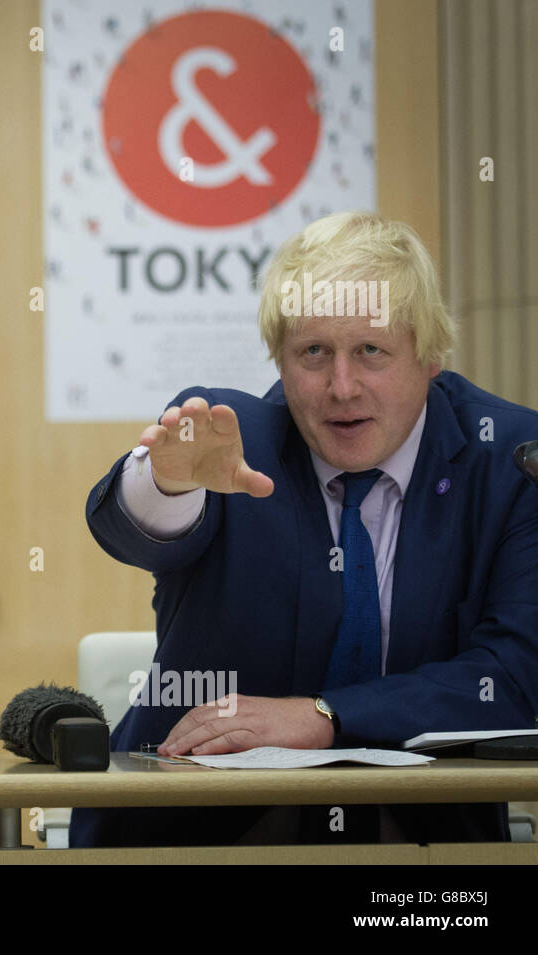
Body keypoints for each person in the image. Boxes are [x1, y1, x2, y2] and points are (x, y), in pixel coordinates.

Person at [73, 212, 538, 847]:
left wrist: (326, 717)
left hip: (427, 847)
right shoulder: (233, 439)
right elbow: (133, 531)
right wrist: (165, 484)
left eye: (371, 352)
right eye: (314, 353)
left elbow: (516, 675)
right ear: (281, 358)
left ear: (429, 356)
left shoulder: (508, 459)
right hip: (195, 837)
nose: (341, 388)